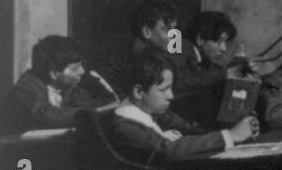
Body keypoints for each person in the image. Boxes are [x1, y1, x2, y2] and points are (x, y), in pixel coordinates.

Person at [108, 52, 258, 160]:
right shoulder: (124, 127)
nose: (171, 96)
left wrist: (235, 127)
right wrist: (230, 135)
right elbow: (167, 150)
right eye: (164, 89)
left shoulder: (156, 112)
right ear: (139, 91)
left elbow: (193, 128)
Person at [1, 35, 118, 134]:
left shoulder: (67, 89)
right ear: (54, 73)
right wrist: (92, 113)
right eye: (75, 68)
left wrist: (111, 103)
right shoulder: (26, 89)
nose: (82, 71)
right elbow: (47, 115)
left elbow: (91, 104)